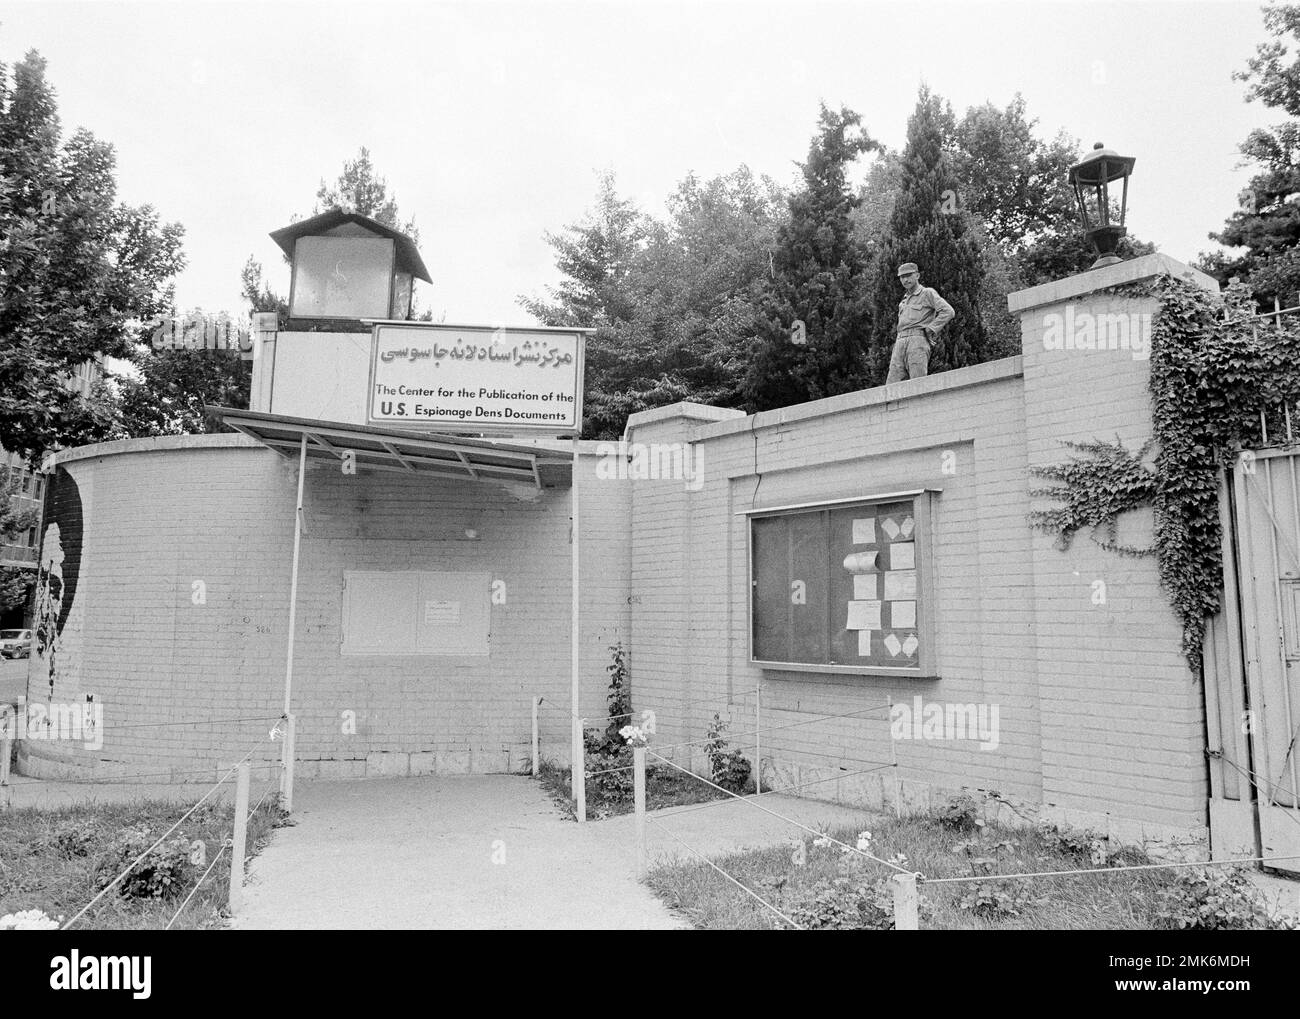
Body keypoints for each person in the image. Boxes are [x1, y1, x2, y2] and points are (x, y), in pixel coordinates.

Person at [886, 262, 954, 383]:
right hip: (900, 341)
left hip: (917, 340)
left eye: (908, 275)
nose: (905, 280)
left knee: (918, 382)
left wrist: (931, 328)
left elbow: (948, 311)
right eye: (902, 277)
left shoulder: (927, 293)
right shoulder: (903, 300)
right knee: (892, 384)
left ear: (917, 275)